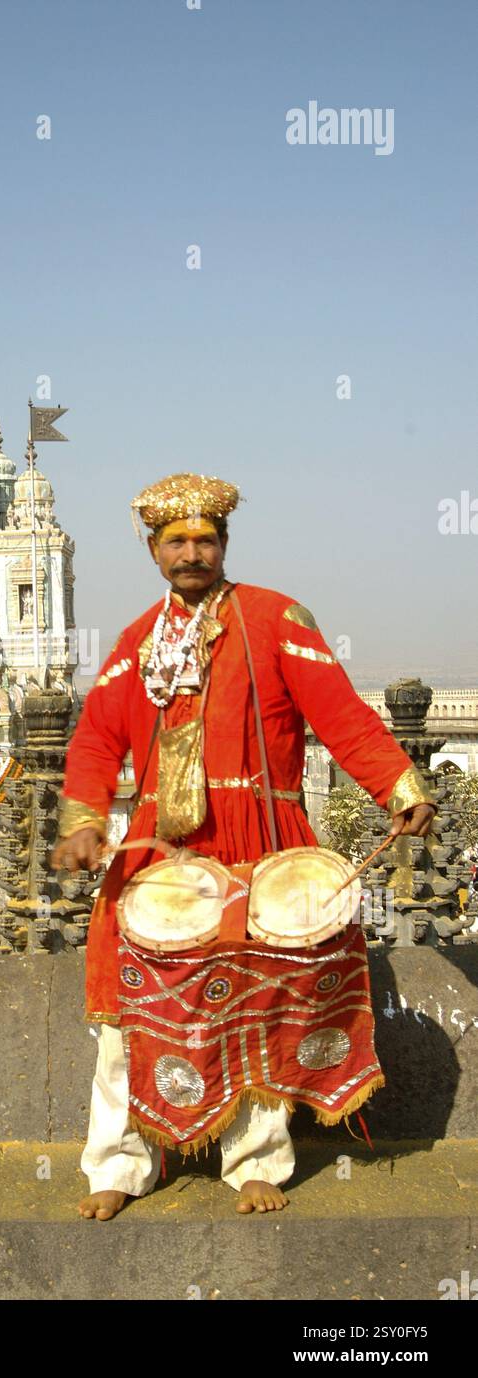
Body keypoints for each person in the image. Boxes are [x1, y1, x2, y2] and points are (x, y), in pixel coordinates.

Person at [52, 473, 436, 1220]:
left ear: (224, 544)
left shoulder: (276, 619)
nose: (192, 552)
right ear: (154, 551)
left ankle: (255, 1160)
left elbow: (343, 716)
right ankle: (121, 1161)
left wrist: (400, 787)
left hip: (264, 841)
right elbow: (97, 736)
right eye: (176, 541)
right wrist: (84, 820)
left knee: (268, 1003)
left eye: (206, 539)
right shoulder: (136, 644)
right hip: (159, 855)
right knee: (128, 1012)